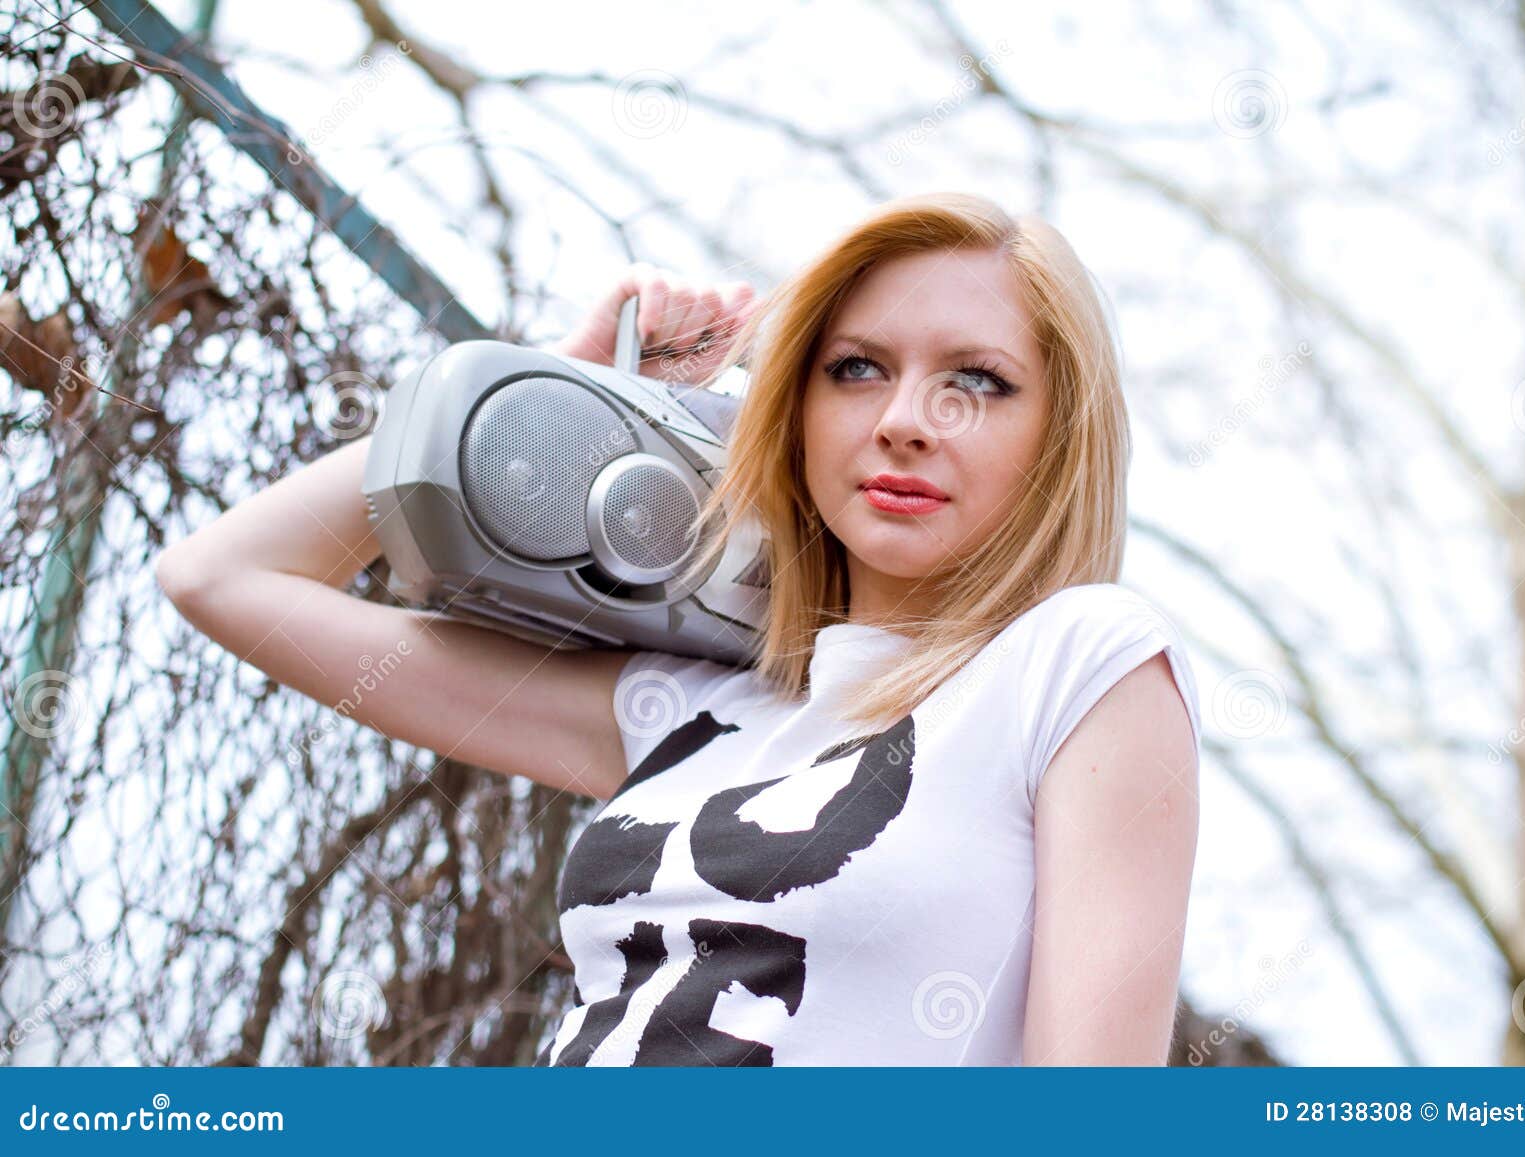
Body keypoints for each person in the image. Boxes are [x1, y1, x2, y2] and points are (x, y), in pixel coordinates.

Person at [157, 190, 1202, 1068]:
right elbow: (222, 576)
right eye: (856, 368)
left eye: (976, 380)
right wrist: (534, 381)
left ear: (1058, 438)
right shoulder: (681, 707)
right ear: (790, 409)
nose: (905, 418)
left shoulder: (1079, 664)